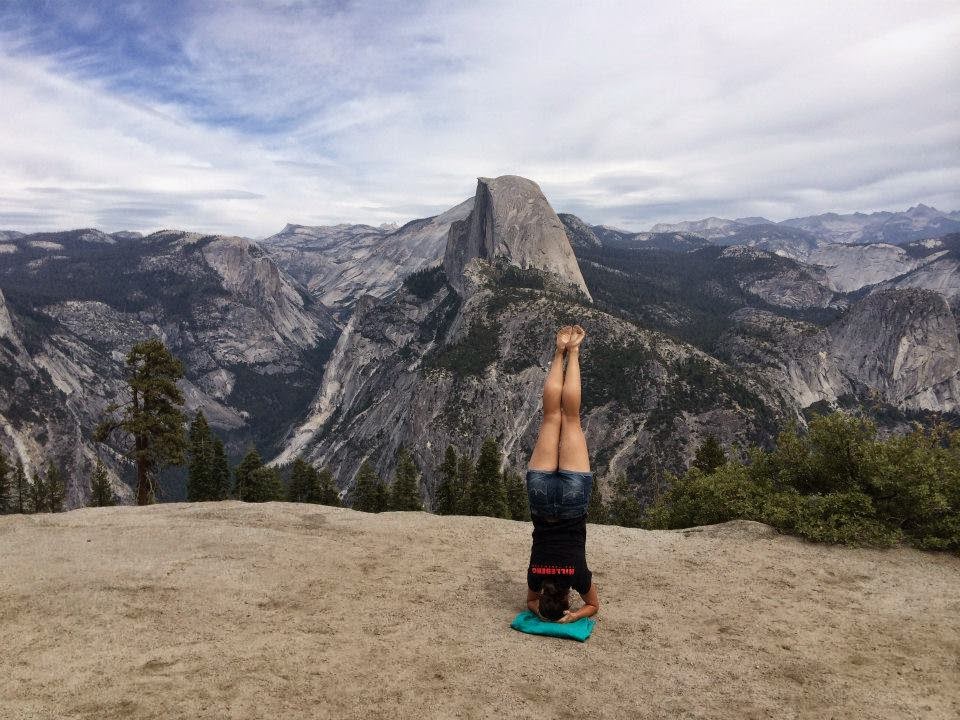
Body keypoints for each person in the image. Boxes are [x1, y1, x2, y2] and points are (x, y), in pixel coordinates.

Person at [525, 324, 600, 623]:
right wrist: (540, 612)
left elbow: (593, 606)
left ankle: (575, 351)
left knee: (570, 418)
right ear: (545, 594)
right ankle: (560, 351)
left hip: (572, 503)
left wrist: (572, 617)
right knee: (551, 416)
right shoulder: (535, 576)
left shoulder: (578, 576)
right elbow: (530, 601)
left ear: (567, 598)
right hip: (541, 499)